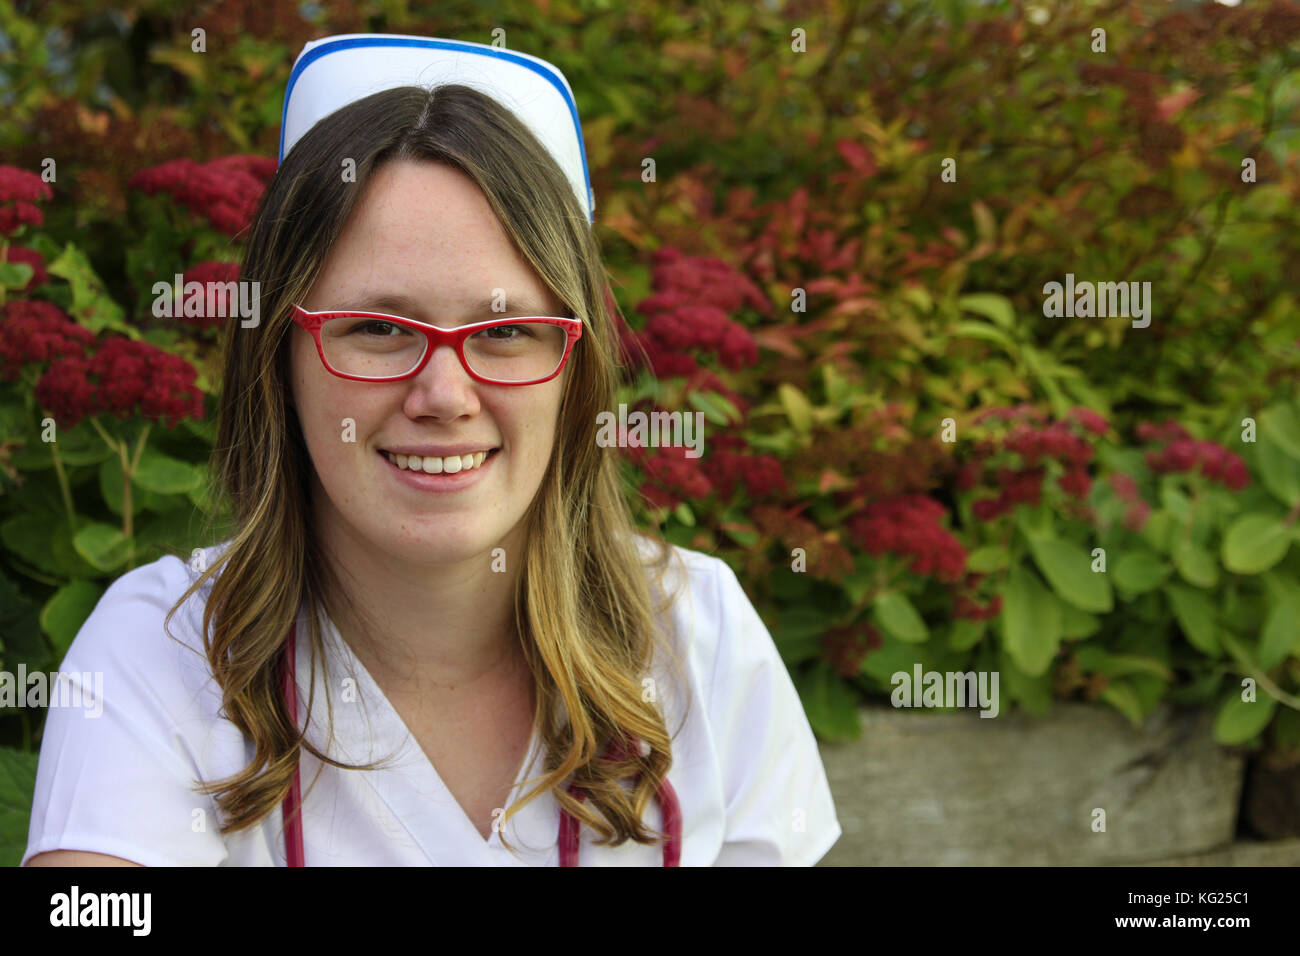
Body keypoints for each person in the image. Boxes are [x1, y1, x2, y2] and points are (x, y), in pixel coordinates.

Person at [23, 35, 840, 866]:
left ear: (577, 369)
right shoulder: (163, 654)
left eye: (508, 331)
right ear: (278, 357)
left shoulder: (698, 637)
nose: (445, 396)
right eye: (378, 328)